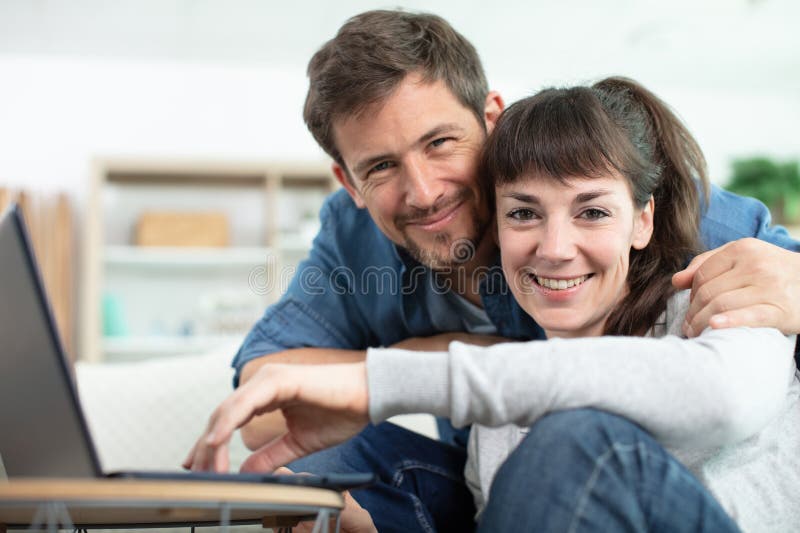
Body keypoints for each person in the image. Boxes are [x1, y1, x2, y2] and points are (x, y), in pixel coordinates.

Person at [188, 9, 800, 532]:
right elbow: (267, 402)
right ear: (348, 181)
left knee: (569, 438)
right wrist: (459, 351)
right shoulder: (354, 243)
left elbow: (742, 366)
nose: (423, 191)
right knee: (330, 454)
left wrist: (395, 378)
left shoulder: (644, 195)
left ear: (491, 119)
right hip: (516, 485)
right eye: (381, 167)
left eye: (440, 143)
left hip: (662, 485)